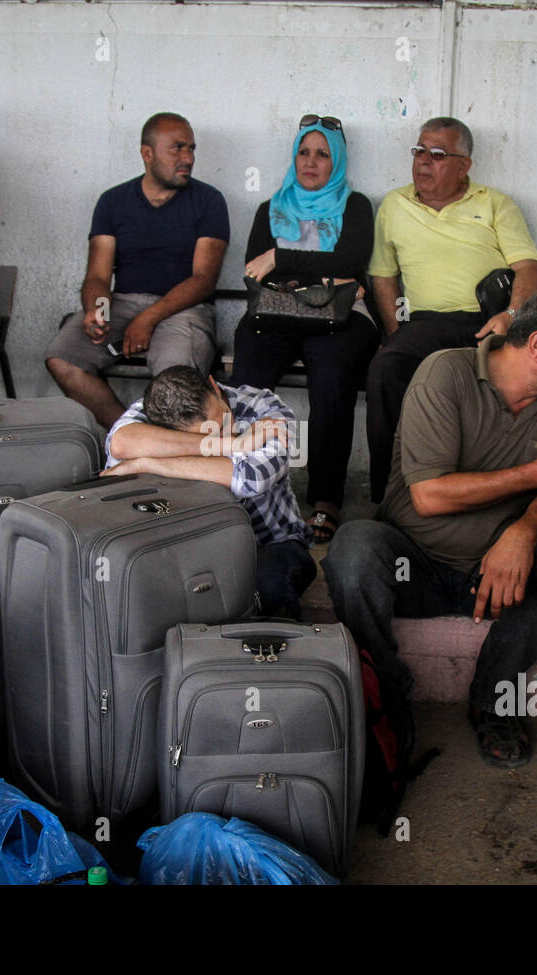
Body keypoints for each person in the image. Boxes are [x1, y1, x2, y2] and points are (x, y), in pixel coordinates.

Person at [325, 287, 537, 769]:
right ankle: (384, 693)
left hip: (497, 579)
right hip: (414, 565)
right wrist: (534, 474)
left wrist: (523, 533)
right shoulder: (447, 372)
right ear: (536, 346)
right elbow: (430, 496)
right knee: (353, 548)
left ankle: (492, 700)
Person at [365, 116, 537, 501]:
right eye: (418, 151)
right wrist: (396, 333)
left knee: (512, 378)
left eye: (438, 154)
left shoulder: (495, 204)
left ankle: (495, 493)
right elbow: (382, 276)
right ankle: (390, 494)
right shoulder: (394, 206)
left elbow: (528, 269)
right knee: (385, 369)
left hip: (487, 322)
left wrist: (510, 316)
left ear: (464, 166)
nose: (423, 162)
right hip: (424, 323)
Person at [230, 115, 377, 543]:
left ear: (339, 161)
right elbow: (256, 272)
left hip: (343, 317)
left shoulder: (356, 206)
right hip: (277, 312)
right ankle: (248, 487)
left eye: (323, 154)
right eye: (304, 152)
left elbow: (349, 262)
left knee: (332, 375)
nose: (310, 162)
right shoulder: (269, 209)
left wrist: (282, 258)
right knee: (248, 380)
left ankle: (325, 501)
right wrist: (313, 271)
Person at [46, 113, 229, 430]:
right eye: (177, 148)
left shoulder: (208, 201)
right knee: (62, 357)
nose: (187, 158)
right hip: (123, 304)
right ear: (147, 153)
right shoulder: (113, 202)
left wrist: (148, 318)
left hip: (184, 309)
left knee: (175, 384)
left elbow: (203, 281)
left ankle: (164, 458)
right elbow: (98, 278)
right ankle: (131, 435)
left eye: (191, 149)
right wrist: (97, 310)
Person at [104, 365, 315, 619]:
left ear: (215, 387)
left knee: (268, 584)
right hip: (194, 546)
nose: (223, 432)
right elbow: (120, 444)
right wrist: (233, 444)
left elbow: (251, 478)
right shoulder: (159, 409)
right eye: (208, 436)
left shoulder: (265, 406)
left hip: (269, 543)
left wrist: (149, 463)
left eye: (224, 419)